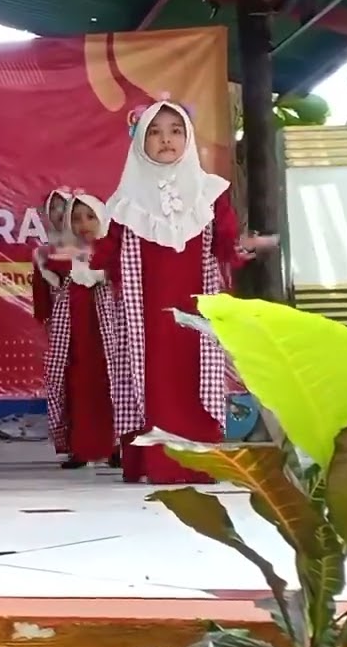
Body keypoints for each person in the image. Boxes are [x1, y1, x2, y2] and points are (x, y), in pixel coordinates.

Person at [54, 100, 276, 484]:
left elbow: (225, 242)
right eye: (154, 132)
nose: (166, 139)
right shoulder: (124, 203)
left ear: (188, 138)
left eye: (175, 130)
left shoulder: (210, 193)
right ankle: (159, 463)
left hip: (195, 308)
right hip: (147, 317)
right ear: (140, 141)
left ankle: (200, 463)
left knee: (197, 378)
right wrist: (79, 264)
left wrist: (243, 247)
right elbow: (109, 250)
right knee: (152, 381)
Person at [40, 194, 124, 469]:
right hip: (77, 335)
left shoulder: (116, 252)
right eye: (76, 218)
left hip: (108, 334)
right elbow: (54, 274)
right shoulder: (62, 252)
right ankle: (80, 448)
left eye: (90, 217)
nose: (83, 224)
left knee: (113, 384)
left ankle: (117, 446)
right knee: (77, 386)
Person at [31, 187, 73, 325]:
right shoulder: (42, 254)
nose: (60, 211)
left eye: (65, 206)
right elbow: (41, 299)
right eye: (54, 207)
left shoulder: (93, 248)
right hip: (60, 326)